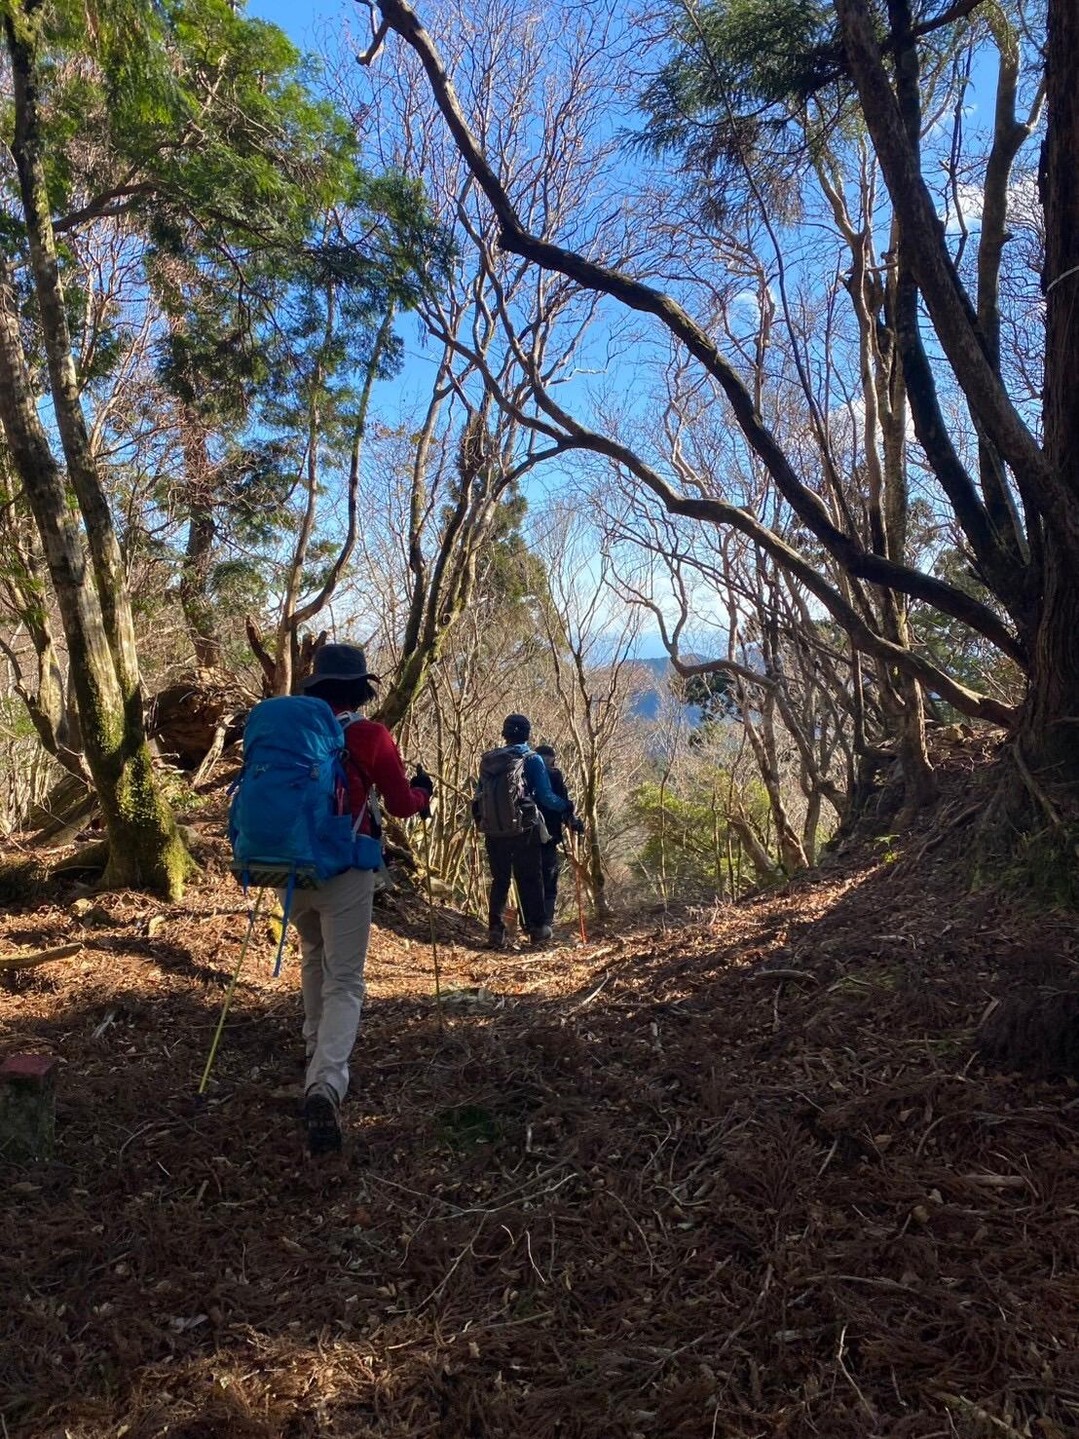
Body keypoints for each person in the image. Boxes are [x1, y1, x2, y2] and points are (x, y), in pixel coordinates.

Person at [292, 643, 433, 1156]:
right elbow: (400, 804)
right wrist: (423, 793)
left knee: (314, 957)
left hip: (291, 866)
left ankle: (314, 1050)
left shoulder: (299, 734)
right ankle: (326, 1083)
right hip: (345, 867)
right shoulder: (370, 736)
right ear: (358, 690)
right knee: (346, 979)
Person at [475, 714, 570, 949]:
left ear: (504, 734)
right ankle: (537, 929)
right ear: (527, 734)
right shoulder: (531, 759)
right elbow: (546, 797)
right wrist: (565, 806)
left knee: (500, 879)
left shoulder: (488, 760)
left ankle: (495, 930)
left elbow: (479, 795)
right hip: (523, 829)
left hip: (494, 830)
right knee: (530, 877)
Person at [534, 743, 585, 930]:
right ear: (552, 758)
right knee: (549, 880)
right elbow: (563, 807)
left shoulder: (523, 774)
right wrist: (573, 822)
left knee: (530, 880)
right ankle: (546, 924)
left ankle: (532, 924)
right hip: (549, 836)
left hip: (523, 837)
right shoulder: (555, 775)